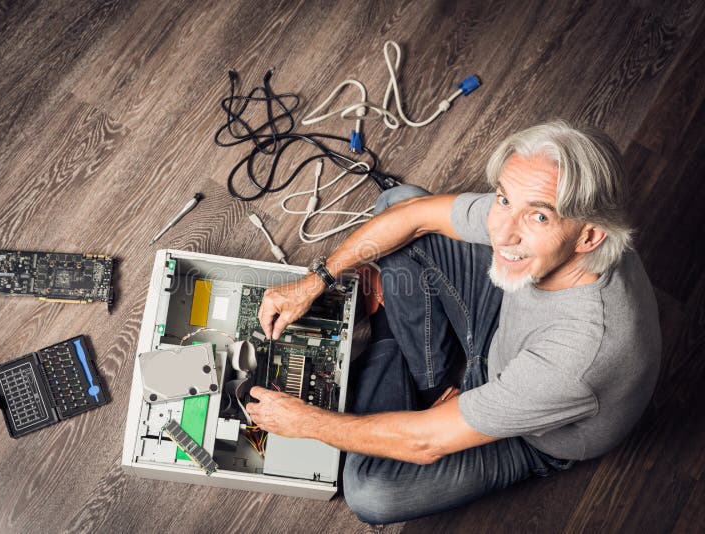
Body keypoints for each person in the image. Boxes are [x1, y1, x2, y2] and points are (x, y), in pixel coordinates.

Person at [245, 121, 661, 524]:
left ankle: (400, 351)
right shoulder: (534, 217)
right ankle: (434, 381)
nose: (502, 233)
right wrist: (315, 280)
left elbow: (423, 444)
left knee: (371, 491)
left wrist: (305, 422)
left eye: (539, 218)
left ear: (590, 237)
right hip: (505, 322)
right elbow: (415, 214)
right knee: (398, 202)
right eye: (502, 199)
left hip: (532, 434)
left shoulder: (577, 357)